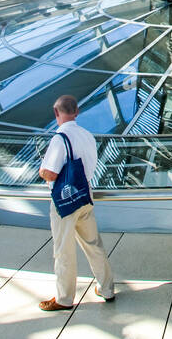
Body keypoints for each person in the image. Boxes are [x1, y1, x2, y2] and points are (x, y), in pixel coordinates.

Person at [37, 95, 116, 311]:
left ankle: (64, 298)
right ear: (77, 112)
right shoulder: (87, 135)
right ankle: (106, 288)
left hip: (65, 201)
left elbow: (51, 173)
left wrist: (41, 171)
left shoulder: (59, 138)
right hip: (84, 194)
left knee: (63, 249)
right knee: (93, 244)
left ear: (56, 113)